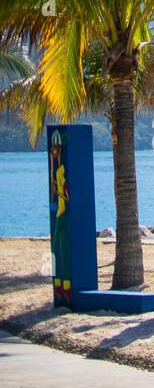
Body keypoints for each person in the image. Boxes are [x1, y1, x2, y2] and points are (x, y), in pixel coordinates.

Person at [48, 129, 71, 305]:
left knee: (61, 248)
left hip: (62, 213)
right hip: (59, 212)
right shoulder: (57, 169)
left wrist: (59, 193)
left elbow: (67, 196)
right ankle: (60, 285)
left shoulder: (63, 171)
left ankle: (65, 285)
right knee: (57, 248)